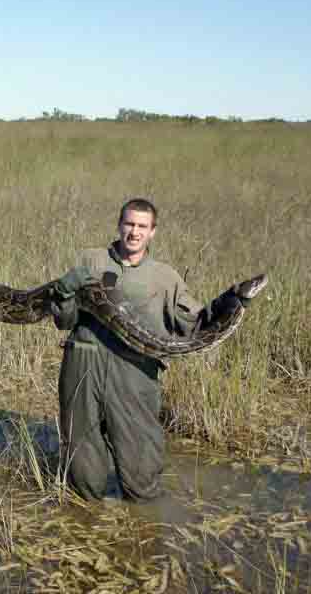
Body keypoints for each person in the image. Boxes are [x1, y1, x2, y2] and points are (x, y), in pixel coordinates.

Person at [52, 198, 211, 501]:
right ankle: (86, 521)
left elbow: (195, 325)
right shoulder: (91, 260)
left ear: (153, 232)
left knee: (141, 470)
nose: (134, 232)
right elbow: (65, 320)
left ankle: (141, 524)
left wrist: (229, 305)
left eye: (142, 226)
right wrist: (63, 294)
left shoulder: (165, 277)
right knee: (82, 463)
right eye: (129, 224)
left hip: (135, 371)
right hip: (84, 361)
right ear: (119, 225)